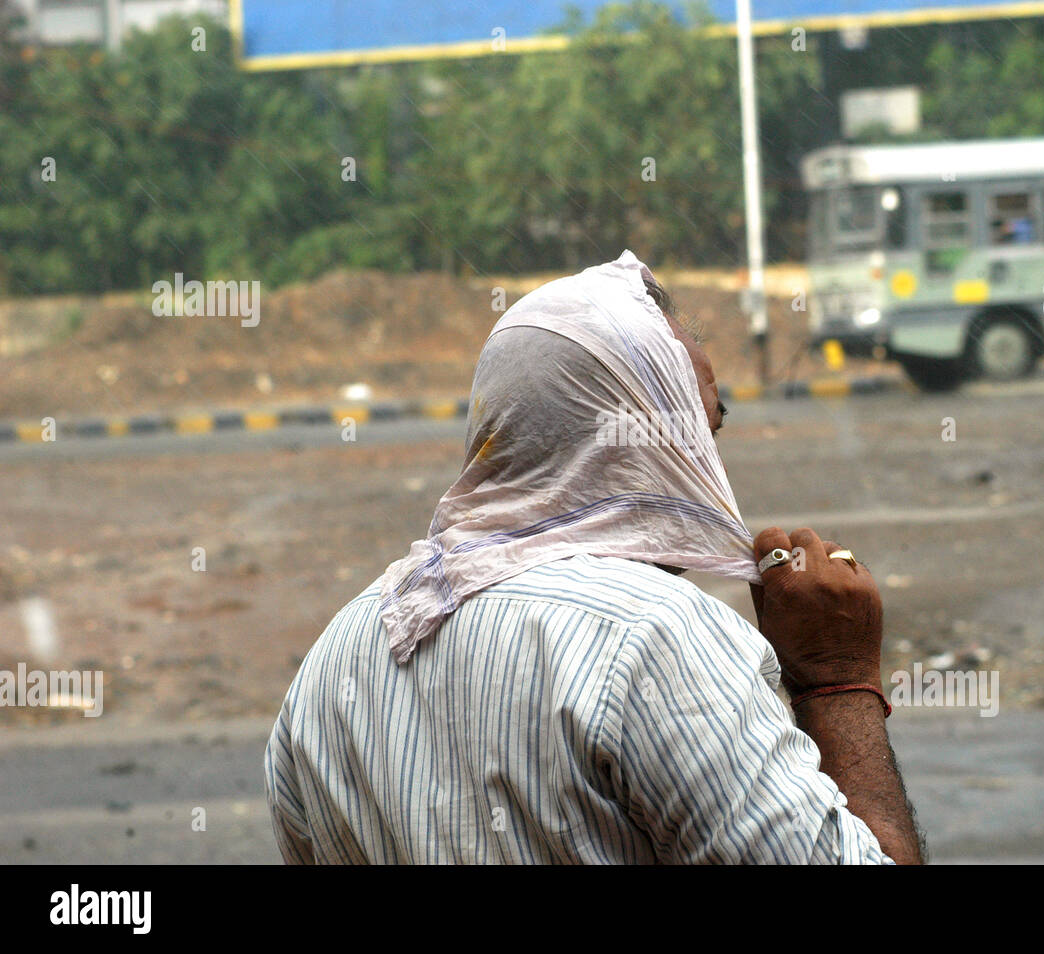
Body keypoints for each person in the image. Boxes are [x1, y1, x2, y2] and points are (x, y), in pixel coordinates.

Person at [264, 250, 923, 864]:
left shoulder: (328, 669)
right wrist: (838, 680)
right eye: (700, 431)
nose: (707, 466)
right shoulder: (654, 638)